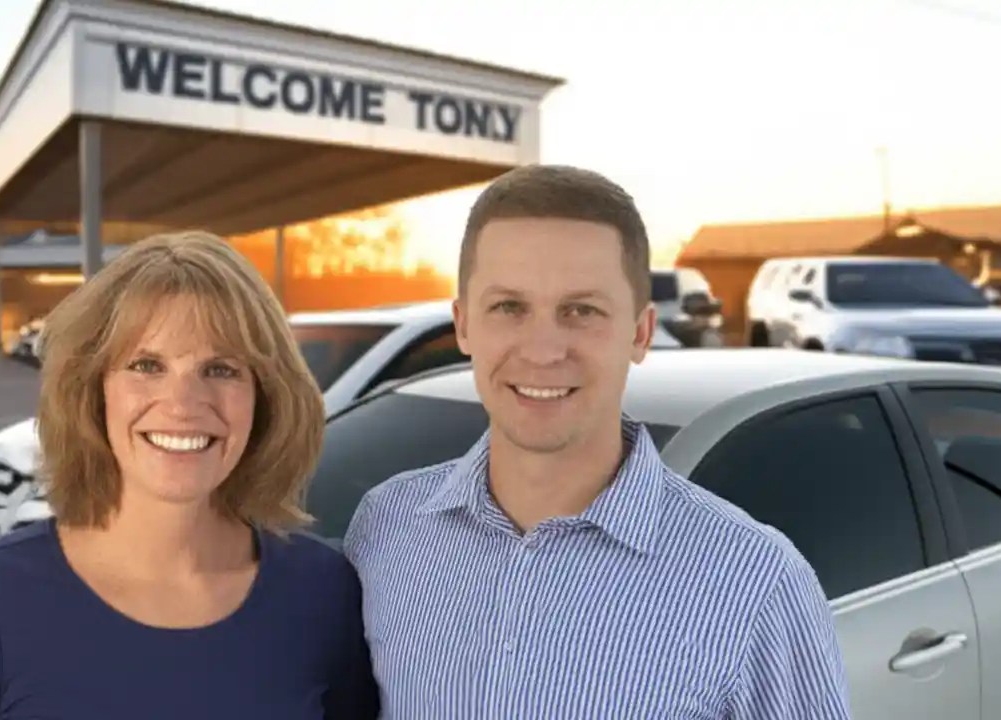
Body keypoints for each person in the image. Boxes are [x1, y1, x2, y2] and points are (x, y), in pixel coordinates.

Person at [343, 165, 851, 718]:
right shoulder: (387, 528)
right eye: (509, 307)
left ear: (640, 333)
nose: (542, 350)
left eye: (580, 310)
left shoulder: (755, 584)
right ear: (464, 326)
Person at [0, 231, 379, 719]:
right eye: (146, 365)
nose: (184, 404)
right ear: (93, 391)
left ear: (265, 399)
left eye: (222, 369)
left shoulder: (321, 594)